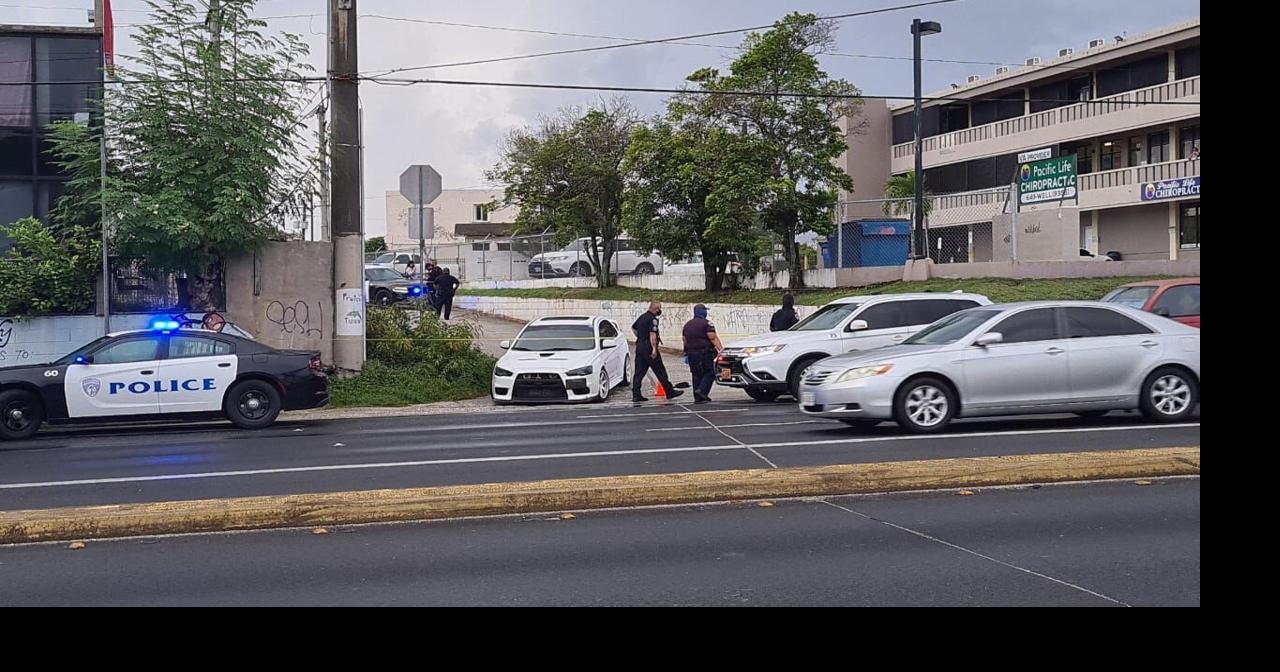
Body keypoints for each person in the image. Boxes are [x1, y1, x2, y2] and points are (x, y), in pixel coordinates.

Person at [631, 301, 683, 402]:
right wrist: (654, 349)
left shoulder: (642, 317)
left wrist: (641, 337)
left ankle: (636, 394)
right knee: (660, 371)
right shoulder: (652, 319)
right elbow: (652, 334)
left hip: (640, 346)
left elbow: (634, 328)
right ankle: (669, 392)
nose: (660, 310)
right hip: (648, 348)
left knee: (639, 372)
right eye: (659, 308)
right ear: (656, 309)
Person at [682, 304, 724, 404]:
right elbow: (712, 337)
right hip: (705, 352)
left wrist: (686, 352)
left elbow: (684, 340)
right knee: (710, 372)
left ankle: (697, 397)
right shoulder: (707, 323)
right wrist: (721, 350)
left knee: (696, 374)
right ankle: (702, 391)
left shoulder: (687, 324)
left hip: (692, 353)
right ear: (702, 312)